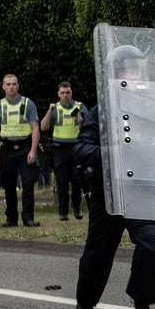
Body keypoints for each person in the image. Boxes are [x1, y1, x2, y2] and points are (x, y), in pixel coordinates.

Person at [74, 45, 155, 309]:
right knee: (98, 255)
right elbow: (82, 148)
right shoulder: (102, 110)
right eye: (130, 68)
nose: (136, 74)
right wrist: (111, 152)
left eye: (139, 68)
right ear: (116, 73)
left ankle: (142, 303)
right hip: (107, 191)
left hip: (141, 190)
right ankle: (85, 308)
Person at [0, 74, 41, 227]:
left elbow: (35, 129)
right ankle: (11, 219)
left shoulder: (28, 104)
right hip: (6, 149)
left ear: (18, 85)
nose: (11, 87)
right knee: (9, 185)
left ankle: (28, 218)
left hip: (25, 148)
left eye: (14, 84)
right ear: (3, 86)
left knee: (28, 183)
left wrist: (33, 150)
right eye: (8, 84)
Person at [39, 81, 88, 221]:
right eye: (63, 93)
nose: (65, 95)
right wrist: (49, 111)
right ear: (58, 94)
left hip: (76, 148)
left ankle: (77, 209)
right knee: (62, 181)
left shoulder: (80, 106)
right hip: (60, 149)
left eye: (68, 92)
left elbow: (88, 123)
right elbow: (43, 127)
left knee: (77, 180)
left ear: (71, 92)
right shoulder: (55, 108)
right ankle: (63, 211)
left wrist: (81, 119)